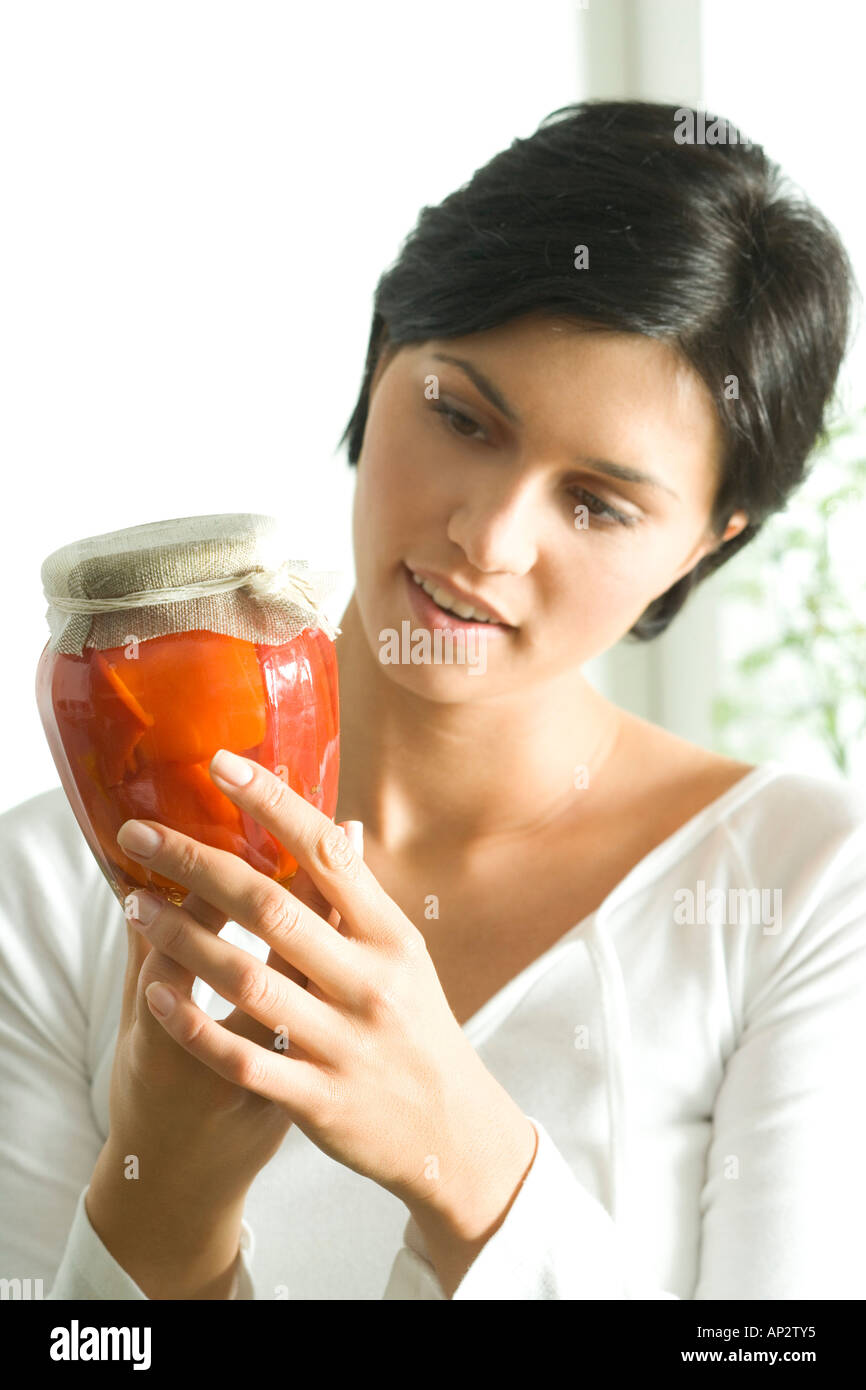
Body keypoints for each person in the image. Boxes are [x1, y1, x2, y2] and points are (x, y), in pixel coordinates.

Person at [2, 99, 865, 1301]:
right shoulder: (47, 887)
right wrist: (167, 1206)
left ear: (705, 548)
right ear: (379, 353)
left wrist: (466, 1163)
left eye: (598, 503)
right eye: (460, 417)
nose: (487, 536)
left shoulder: (806, 887)